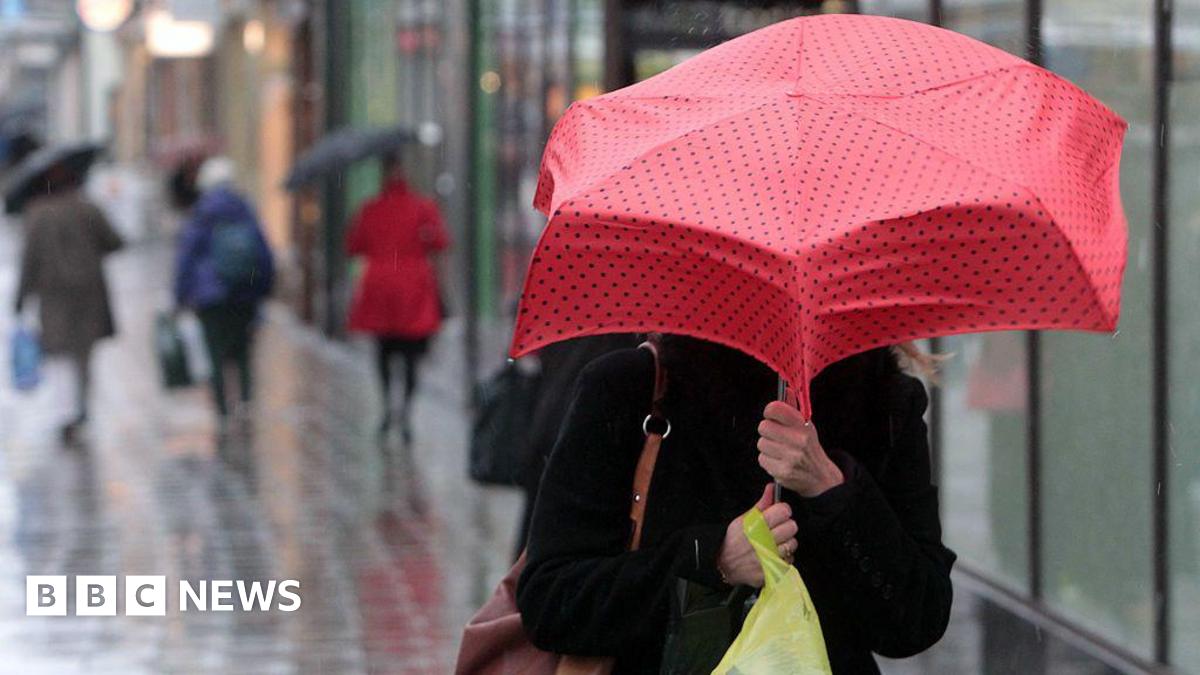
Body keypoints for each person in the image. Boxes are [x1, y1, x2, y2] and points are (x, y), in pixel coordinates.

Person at [516, 335, 956, 673]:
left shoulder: (885, 402)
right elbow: (551, 600)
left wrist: (831, 488)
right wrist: (713, 558)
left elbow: (915, 621)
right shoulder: (633, 389)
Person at [14, 164, 123, 443]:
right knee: (83, 356)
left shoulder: (36, 214)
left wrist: (21, 297)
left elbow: (29, 261)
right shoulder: (87, 209)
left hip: (54, 298)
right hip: (89, 294)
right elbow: (115, 241)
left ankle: (66, 416)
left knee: (60, 357)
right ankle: (80, 410)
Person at [345, 153, 449, 442]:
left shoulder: (370, 209)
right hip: (413, 288)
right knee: (411, 354)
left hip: (380, 286)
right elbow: (440, 242)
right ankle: (405, 412)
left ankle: (386, 407)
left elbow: (353, 245)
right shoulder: (422, 207)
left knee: (384, 350)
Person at [173, 157, 274, 424]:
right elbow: (262, 253)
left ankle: (222, 410)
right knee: (242, 351)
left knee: (215, 353)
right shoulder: (245, 209)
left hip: (210, 295)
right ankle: (246, 402)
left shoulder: (201, 213)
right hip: (244, 291)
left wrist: (181, 294)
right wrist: (262, 287)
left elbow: (187, 257)